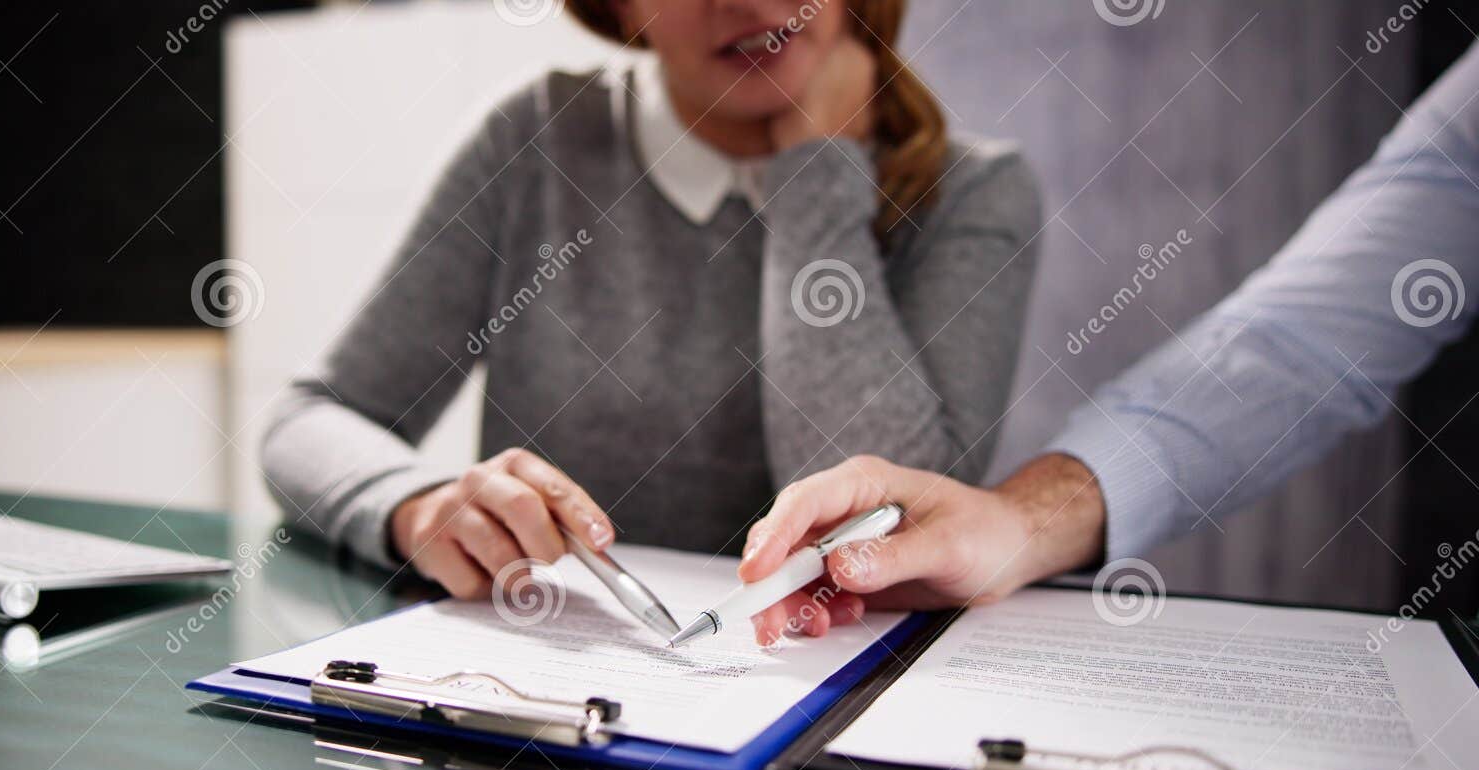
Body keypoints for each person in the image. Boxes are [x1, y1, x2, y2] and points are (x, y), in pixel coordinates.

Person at [261, 0, 1041, 601]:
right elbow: (309, 423)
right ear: (623, 8)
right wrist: (418, 504)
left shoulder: (973, 194)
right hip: (549, 711)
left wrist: (813, 181)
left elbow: (884, 533)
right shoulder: (537, 142)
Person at [739, 38, 1479, 644]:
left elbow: (853, 471)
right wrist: (1022, 520)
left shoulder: (968, 186)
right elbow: (1305, 336)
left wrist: (813, 171)